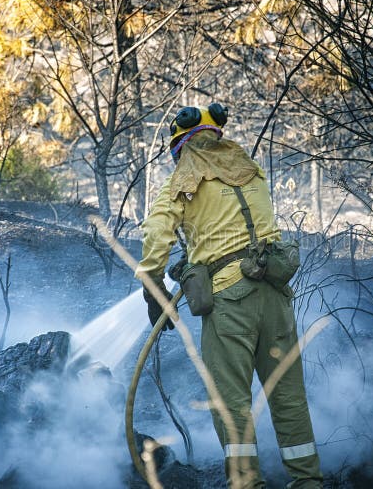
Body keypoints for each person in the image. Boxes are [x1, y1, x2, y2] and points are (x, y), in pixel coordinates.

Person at [135, 103, 323, 488]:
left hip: (229, 301)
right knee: (288, 399)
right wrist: (195, 255)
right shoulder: (249, 171)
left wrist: (153, 290)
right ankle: (308, 483)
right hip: (275, 297)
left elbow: (156, 236)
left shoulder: (186, 176)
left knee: (232, 404)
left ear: (182, 146)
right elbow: (238, 231)